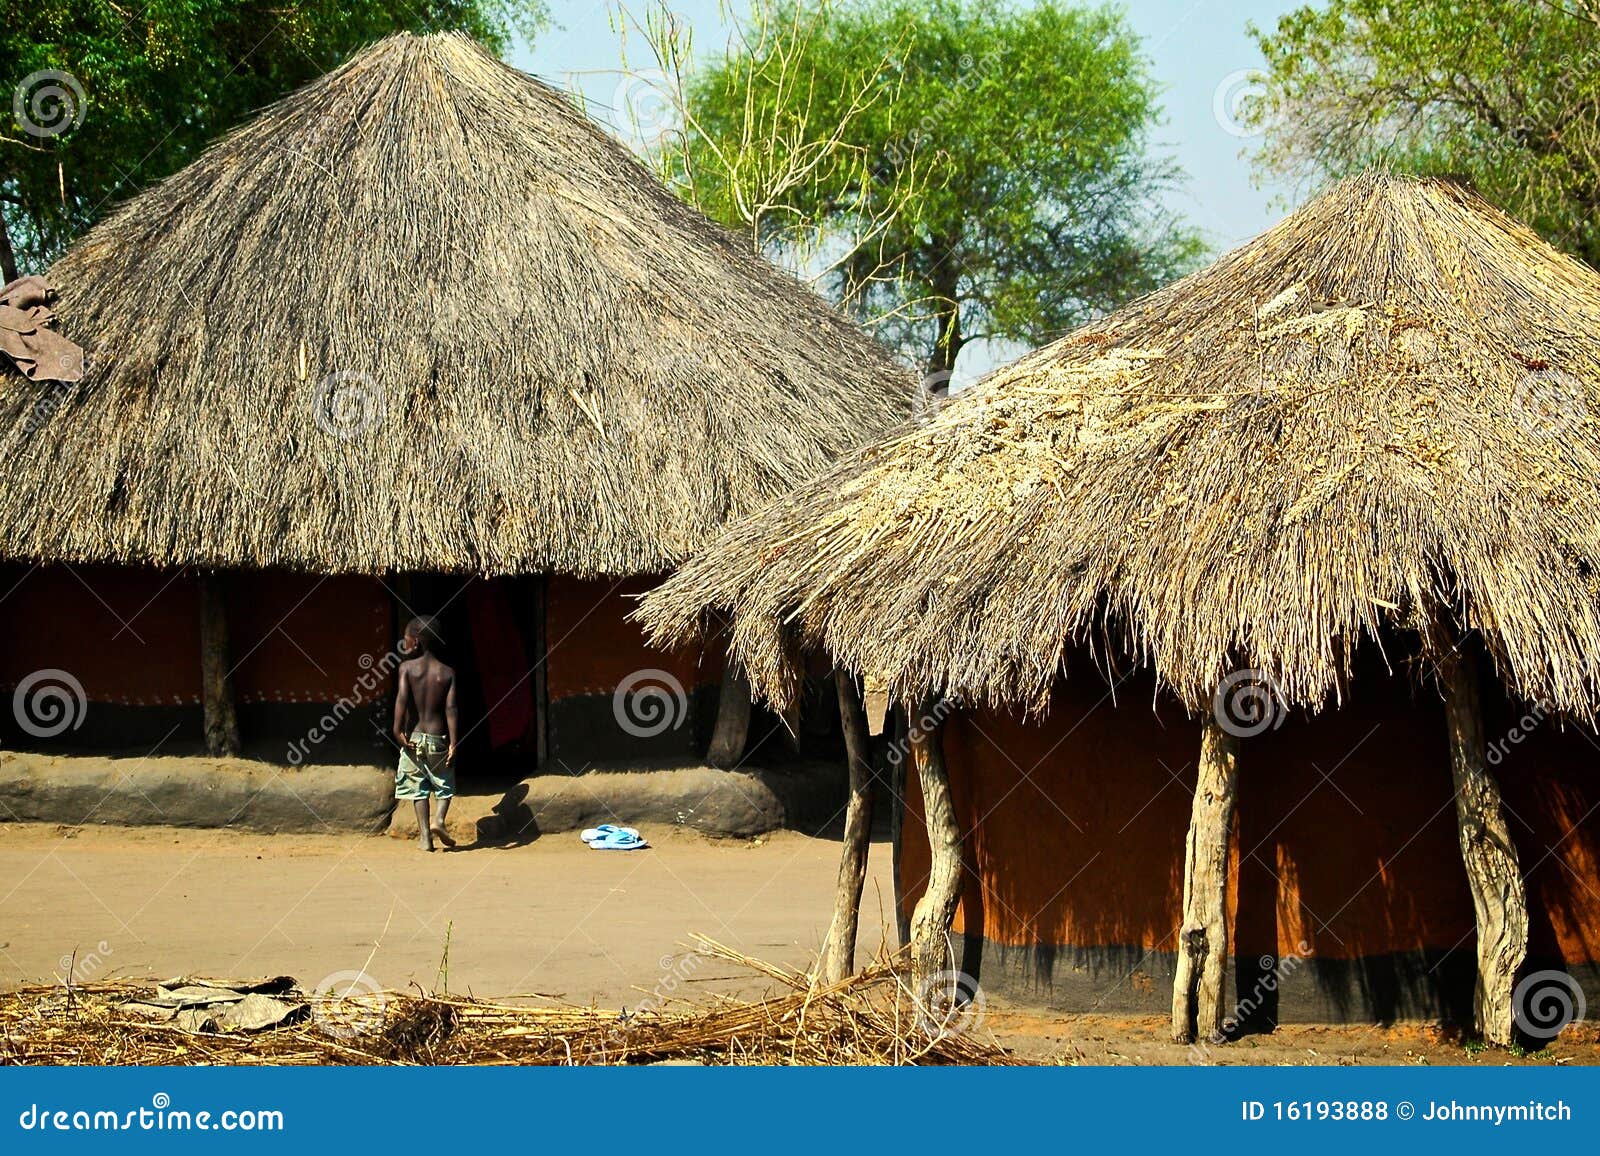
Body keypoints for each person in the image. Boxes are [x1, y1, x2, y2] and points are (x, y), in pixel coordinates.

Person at [392, 615, 459, 852]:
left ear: (416, 642)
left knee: (417, 786)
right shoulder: (448, 673)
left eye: (406, 639)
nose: (404, 642)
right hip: (439, 737)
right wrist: (453, 741)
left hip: (414, 737)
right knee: (444, 783)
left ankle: (425, 839)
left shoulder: (407, 669)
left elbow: (401, 700)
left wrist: (397, 729)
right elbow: (451, 708)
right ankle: (439, 819)